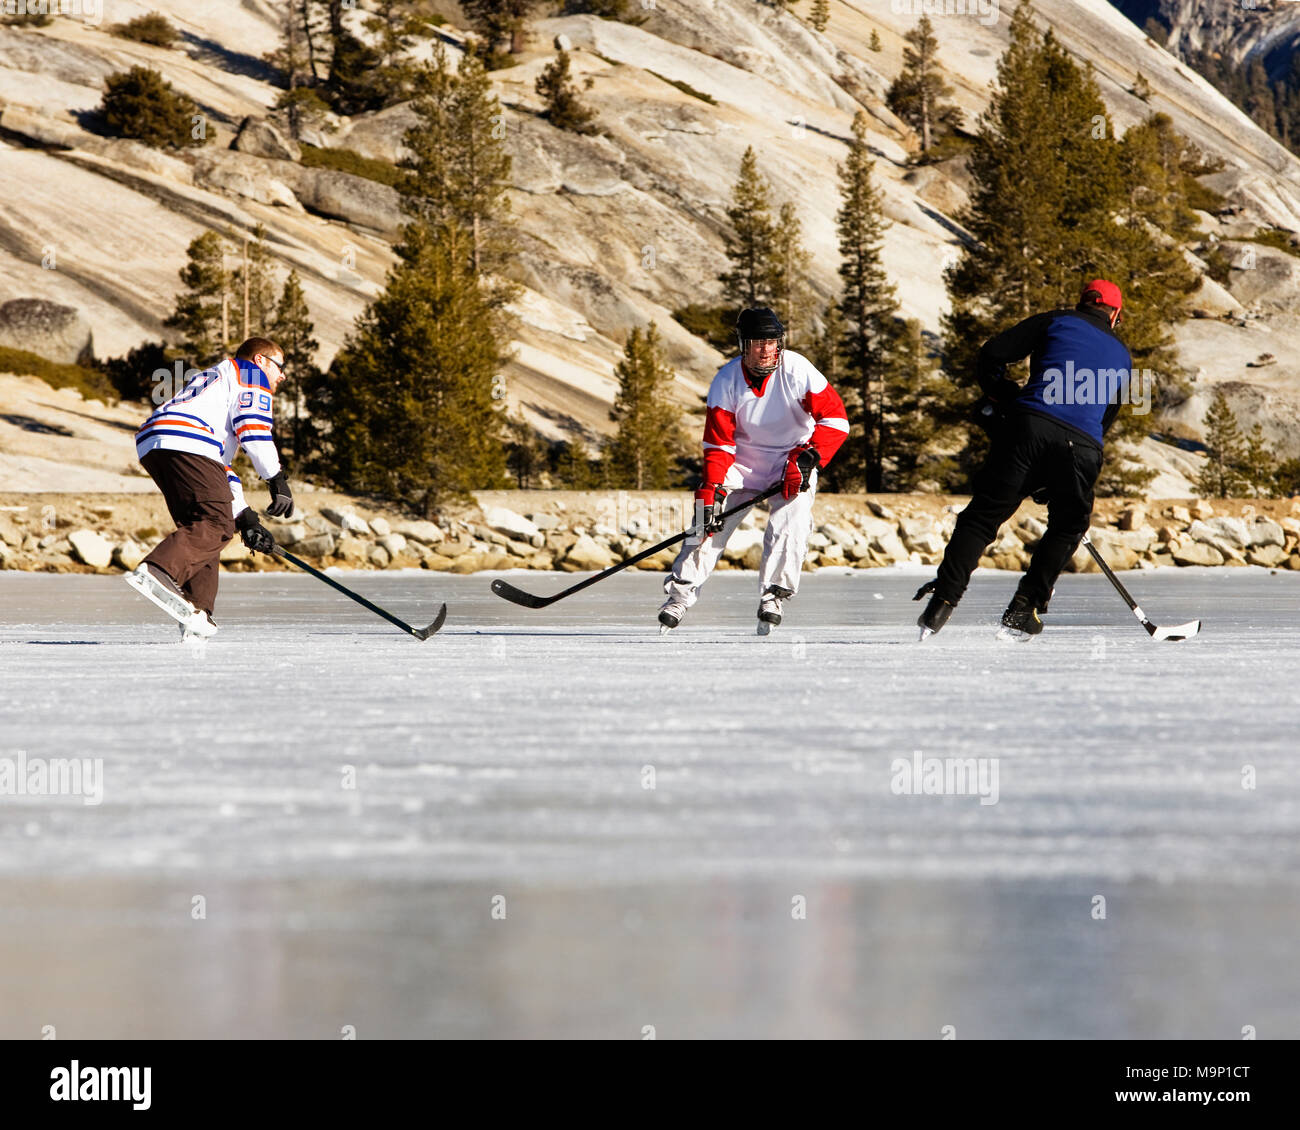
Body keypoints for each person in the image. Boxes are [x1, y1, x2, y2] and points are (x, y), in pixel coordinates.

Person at [915, 279, 1134, 640]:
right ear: (1114, 315)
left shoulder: (1055, 321)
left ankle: (943, 601)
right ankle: (1024, 607)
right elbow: (1106, 418)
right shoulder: (1124, 356)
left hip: (1028, 428)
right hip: (1082, 447)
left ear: (1083, 304)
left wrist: (1004, 396)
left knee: (983, 517)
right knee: (1068, 526)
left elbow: (992, 354)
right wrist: (1062, 471)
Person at [658, 306, 848, 635]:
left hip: (792, 460)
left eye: (772, 342)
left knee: (792, 520)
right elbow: (718, 445)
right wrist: (712, 490)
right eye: (758, 342)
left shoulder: (798, 370)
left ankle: (774, 594)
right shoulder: (725, 380)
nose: (766, 349)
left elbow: (836, 420)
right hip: (741, 461)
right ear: (743, 345)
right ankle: (680, 594)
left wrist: (807, 458)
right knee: (706, 523)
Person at [126, 337, 292, 639]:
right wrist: (276, 478)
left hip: (159, 442)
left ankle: (197, 610)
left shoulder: (220, 382)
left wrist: (246, 519)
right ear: (260, 361)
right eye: (280, 366)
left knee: (207, 523)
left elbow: (219, 470)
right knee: (215, 523)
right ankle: (158, 570)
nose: (282, 375)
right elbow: (254, 428)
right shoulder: (250, 374)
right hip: (186, 440)